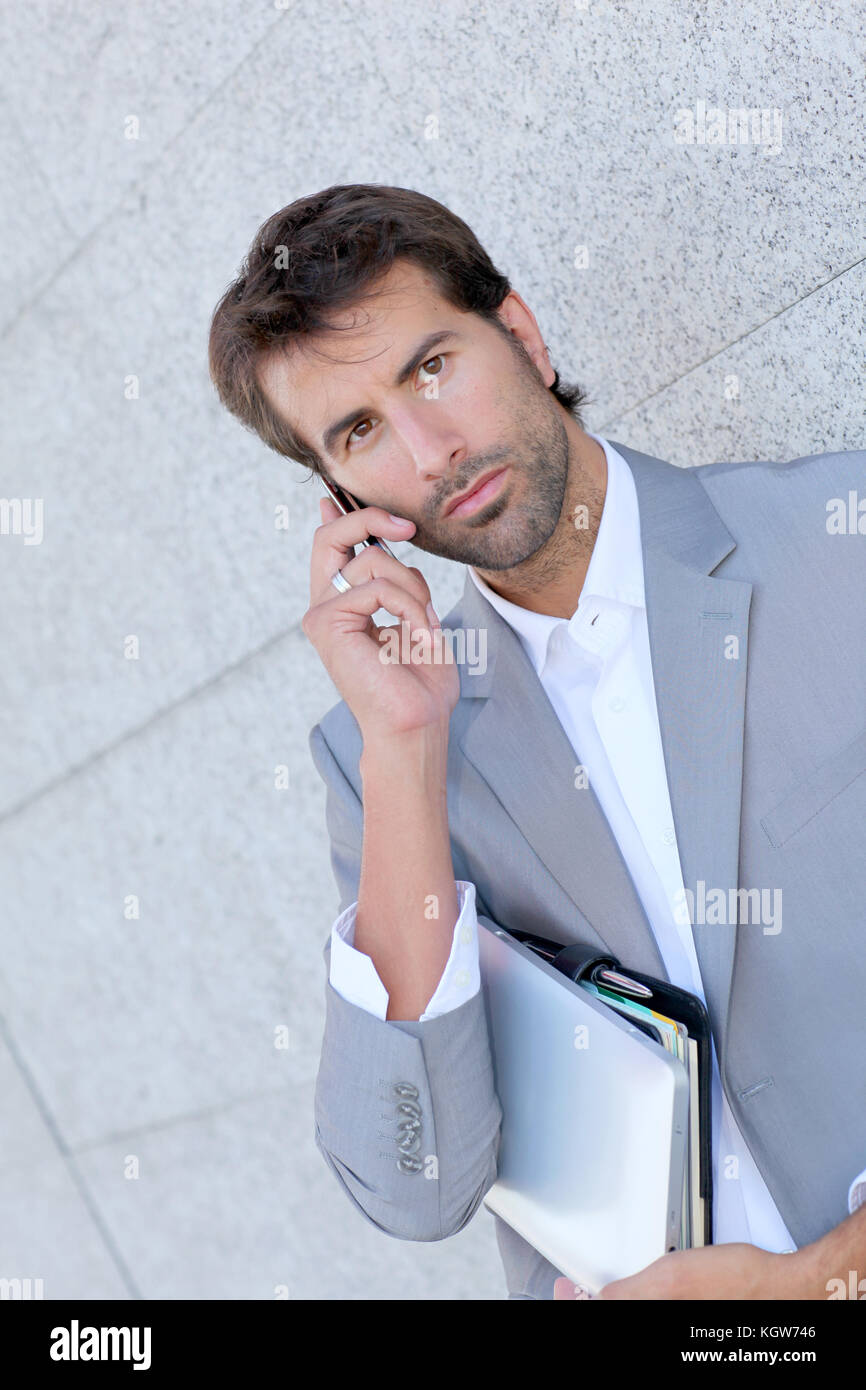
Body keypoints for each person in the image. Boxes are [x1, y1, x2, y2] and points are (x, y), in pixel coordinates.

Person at [208, 183, 866, 1300]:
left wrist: (817, 1281)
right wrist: (405, 753)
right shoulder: (383, 752)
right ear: (341, 499)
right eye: (359, 430)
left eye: (430, 366)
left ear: (518, 331)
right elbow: (414, 1181)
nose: (429, 448)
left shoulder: (835, 543)